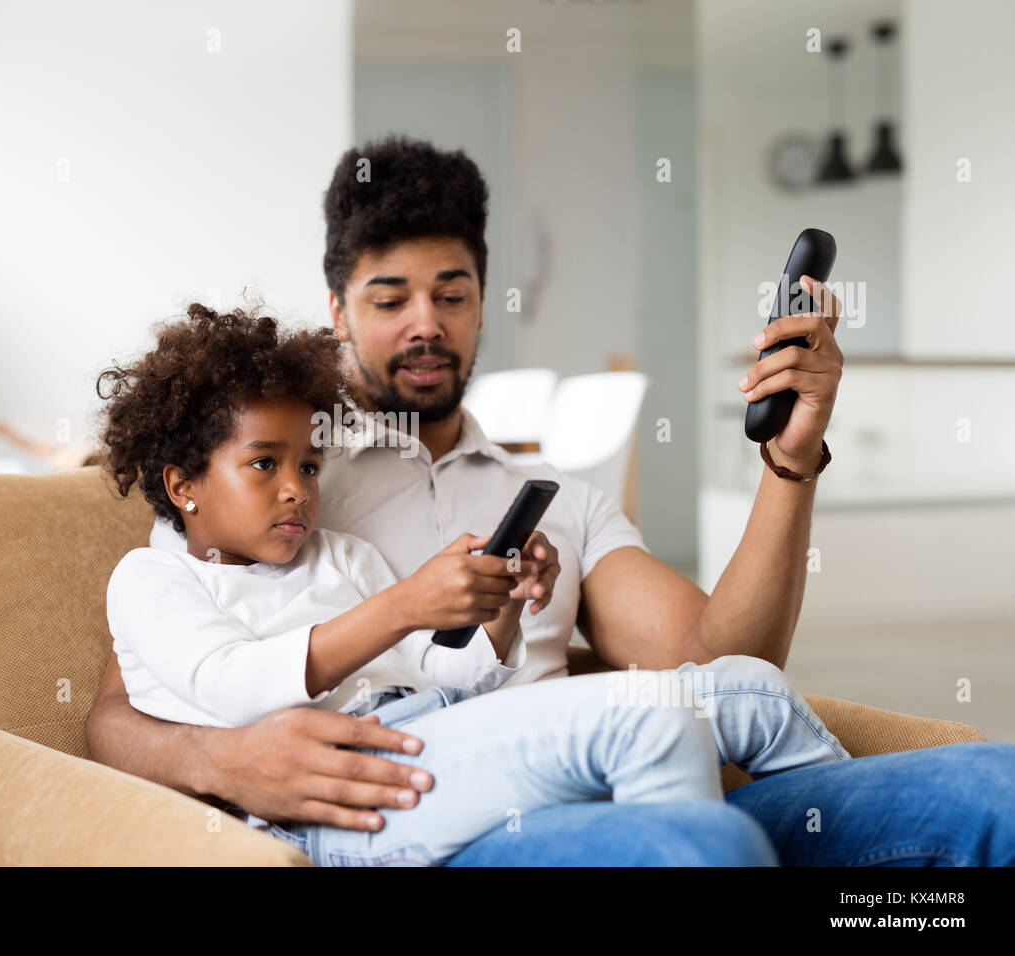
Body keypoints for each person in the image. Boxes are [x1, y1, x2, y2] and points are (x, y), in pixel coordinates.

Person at [86, 134, 1015, 866]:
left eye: (452, 293)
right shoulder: (275, 494)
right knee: (704, 846)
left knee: (997, 789)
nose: (425, 322)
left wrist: (789, 457)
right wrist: (218, 762)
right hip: (469, 823)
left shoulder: (553, 501)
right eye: (388, 297)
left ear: (485, 305)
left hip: (637, 767)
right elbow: (122, 710)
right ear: (336, 312)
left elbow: (714, 659)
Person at [97, 304, 850, 866]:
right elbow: (235, 688)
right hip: (343, 796)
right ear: (183, 483)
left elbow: (446, 673)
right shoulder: (152, 578)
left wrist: (504, 612)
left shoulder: (342, 556)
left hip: (432, 729)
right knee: (653, 718)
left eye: (309, 466)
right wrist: (403, 605)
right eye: (266, 464)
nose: (296, 488)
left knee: (751, 686)